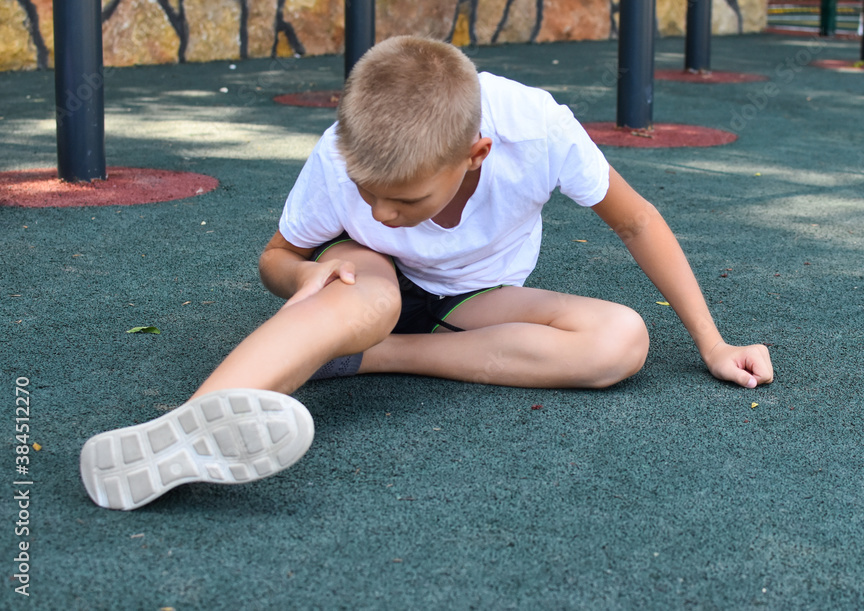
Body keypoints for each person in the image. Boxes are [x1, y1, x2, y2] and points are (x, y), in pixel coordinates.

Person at [80, 36, 773, 510]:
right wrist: (301, 284)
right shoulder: (342, 151)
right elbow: (277, 256)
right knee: (369, 297)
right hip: (367, 280)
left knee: (621, 340)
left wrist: (713, 343)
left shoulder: (540, 132)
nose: (379, 208)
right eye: (366, 190)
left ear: (476, 153)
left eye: (404, 198)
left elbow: (638, 221)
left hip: (471, 298)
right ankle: (189, 424)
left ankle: (365, 360)